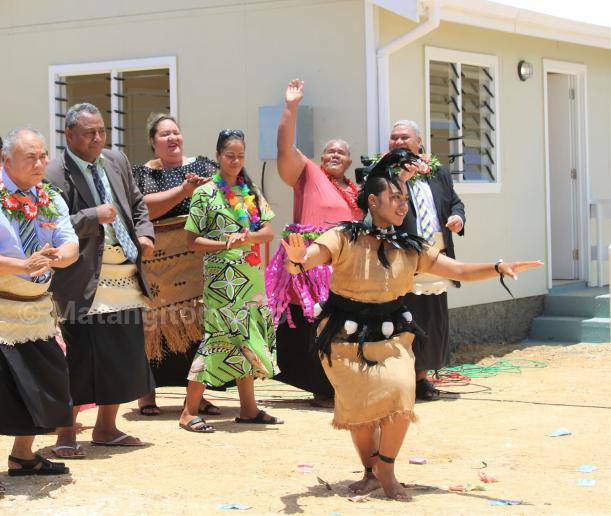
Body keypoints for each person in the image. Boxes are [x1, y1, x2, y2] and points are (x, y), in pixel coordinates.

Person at [281, 149, 540, 500]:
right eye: (395, 198)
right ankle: (371, 471)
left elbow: (458, 270)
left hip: (393, 335)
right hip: (344, 337)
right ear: (373, 201)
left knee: (402, 394)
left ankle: (386, 469)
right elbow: (307, 259)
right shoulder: (343, 236)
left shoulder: (410, 247)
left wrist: (498, 268)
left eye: (405, 199)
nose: (403, 205)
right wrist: (297, 259)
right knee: (360, 415)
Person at [0, 128, 79, 498]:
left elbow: (70, 243)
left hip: (35, 306)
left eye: (43, 156)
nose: (40, 164)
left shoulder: (50, 197)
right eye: (31, 157)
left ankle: (23, 455)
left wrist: (57, 256)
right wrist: (22, 265)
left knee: (43, 380)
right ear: (6, 160)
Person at [45, 103, 156, 458]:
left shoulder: (116, 160)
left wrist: (145, 233)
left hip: (124, 272)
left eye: (102, 131)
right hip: (82, 278)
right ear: (69, 135)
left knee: (123, 356)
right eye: (89, 133)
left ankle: (107, 428)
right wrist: (93, 216)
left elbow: (137, 204)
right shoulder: (53, 174)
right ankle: (66, 433)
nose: (98, 138)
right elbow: (50, 226)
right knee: (80, 359)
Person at [178, 129, 281, 433]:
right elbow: (191, 241)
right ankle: (188, 411)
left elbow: (268, 233)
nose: (235, 161)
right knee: (218, 338)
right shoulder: (205, 193)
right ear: (218, 156)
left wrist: (247, 238)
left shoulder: (250, 192)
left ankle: (249, 409)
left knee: (245, 337)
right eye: (229, 155)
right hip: (222, 280)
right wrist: (225, 244)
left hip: (251, 277)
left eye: (240, 156)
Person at [268, 79, 363, 408]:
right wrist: (290, 107)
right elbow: (285, 148)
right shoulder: (308, 174)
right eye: (329, 151)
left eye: (341, 153)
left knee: (340, 327)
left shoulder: (356, 193)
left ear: (348, 162)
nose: (335, 155)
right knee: (310, 324)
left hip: (342, 270)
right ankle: (321, 387)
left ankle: (340, 385)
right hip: (307, 266)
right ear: (321, 158)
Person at [131, 113, 217, 417]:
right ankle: (146, 394)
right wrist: (183, 191)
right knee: (152, 326)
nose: (172, 138)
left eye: (175, 132)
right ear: (153, 142)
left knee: (198, 326)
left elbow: (226, 197)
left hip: (196, 260)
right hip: (157, 264)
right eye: (164, 134)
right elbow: (142, 210)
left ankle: (197, 396)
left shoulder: (204, 166)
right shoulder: (142, 174)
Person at [386, 120, 465, 401]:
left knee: (431, 321)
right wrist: (399, 178)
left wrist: (457, 217)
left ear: (419, 142)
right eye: (394, 137)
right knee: (401, 321)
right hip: (402, 259)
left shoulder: (438, 171)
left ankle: (421, 379)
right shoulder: (382, 173)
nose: (398, 141)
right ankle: (399, 379)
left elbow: (454, 202)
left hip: (437, 258)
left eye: (404, 137)